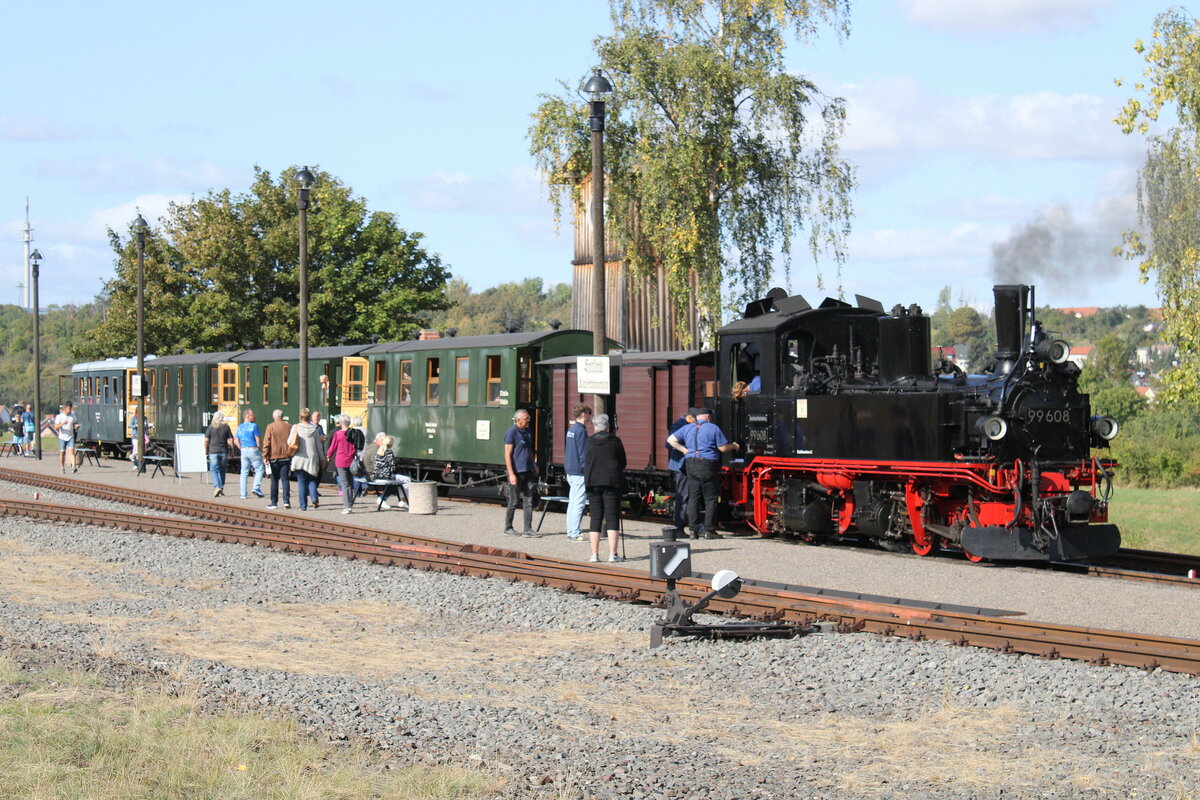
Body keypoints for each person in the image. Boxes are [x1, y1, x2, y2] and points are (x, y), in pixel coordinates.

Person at [668, 407, 740, 539]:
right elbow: (723, 448)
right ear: (708, 417)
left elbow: (670, 440)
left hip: (691, 463)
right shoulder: (713, 428)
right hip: (707, 464)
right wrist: (734, 446)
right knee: (710, 498)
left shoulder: (687, 428)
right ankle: (709, 530)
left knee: (693, 497)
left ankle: (693, 531)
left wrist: (684, 450)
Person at [583, 413, 627, 563]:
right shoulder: (615, 441)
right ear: (607, 426)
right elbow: (623, 462)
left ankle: (594, 554)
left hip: (592, 482)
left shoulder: (589, 442)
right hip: (611, 482)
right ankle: (612, 554)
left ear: (594, 427)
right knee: (612, 517)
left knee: (595, 518)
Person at [503, 409, 538, 537]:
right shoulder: (511, 433)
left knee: (528, 501)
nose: (528, 420)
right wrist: (511, 474)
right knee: (514, 501)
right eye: (526, 418)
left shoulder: (528, 431)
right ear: (518, 420)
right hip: (517, 472)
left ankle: (528, 529)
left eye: (528, 418)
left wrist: (534, 465)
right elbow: (507, 454)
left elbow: (528, 450)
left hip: (528, 470)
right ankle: (508, 527)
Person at [665, 410, 697, 536]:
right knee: (683, 495)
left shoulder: (685, 424)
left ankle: (692, 525)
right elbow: (668, 444)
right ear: (689, 418)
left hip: (687, 463)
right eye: (695, 421)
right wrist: (685, 448)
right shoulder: (679, 425)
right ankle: (679, 527)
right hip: (681, 464)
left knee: (688, 495)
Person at [564, 403, 592, 541]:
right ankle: (575, 533)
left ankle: (571, 531)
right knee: (579, 503)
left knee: (572, 502)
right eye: (588, 413)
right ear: (583, 414)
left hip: (570, 469)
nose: (589, 417)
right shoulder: (581, 430)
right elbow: (583, 453)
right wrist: (587, 470)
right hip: (579, 472)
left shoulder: (571, 430)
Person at [288, 408, 324, 511]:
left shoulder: (296, 427)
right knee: (312, 479)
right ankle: (314, 497)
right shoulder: (315, 430)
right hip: (312, 457)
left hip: (299, 457)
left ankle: (303, 506)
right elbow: (319, 446)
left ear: (300, 417)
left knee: (302, 482)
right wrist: (323, 459)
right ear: (309, 418)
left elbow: (290, 441)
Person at [326, 414, 357, 514]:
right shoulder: (354, 433)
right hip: (351, 460)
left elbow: (333, 447)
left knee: (344, 484)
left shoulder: (338, 434)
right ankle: (350, 504)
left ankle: (347, 506)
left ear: (341, 423)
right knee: (350, 482)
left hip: (341, 460)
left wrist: (328, 455)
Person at [261, 409, 292, 509]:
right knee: (285, 479)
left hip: (274, 458)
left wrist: (265, 456)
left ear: (274, 417)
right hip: (286, 457)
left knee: (274, 480)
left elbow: (267, 443)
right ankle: (286, 501)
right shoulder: (289, 426)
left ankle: (274, 502)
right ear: (282, 416)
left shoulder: (270, 427)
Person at [371, 435, 409, 510]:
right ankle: (402, 500)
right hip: (385, 476)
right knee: (406, 480)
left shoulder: (378, 451)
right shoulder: (389, 452)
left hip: (376, 476)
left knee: (397, 482)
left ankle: (398, 500)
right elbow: (392, 467)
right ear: (391, 444)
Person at [234, 409, 265, 499]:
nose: (254, 416)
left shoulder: (239, 427)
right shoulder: (254, 426)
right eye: (253, 415)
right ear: (248, 416)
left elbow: (236, 441)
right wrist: (261, 449)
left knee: (244, 472)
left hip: (244, 450)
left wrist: (241, 448)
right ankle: (256, 488)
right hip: (253, 449)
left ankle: (243, 494)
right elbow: (258, 439)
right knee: (259, 469)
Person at [204, 412, 234, 497]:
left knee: (214, 470)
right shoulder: (226, 427)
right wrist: (232, 451)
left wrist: (206, 450)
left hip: (213, 451)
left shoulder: (210, 428)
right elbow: (231, 440)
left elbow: (206, 440)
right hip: (224, 451)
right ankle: (221, 487)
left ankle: (217, 487)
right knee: (222, 470)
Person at [53, 402, 78, 474]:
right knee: (62, 453)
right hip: (62, 437)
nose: (70, 410)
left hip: (70, 436)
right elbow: (56, 427)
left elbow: (74, 423)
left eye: (71, 409)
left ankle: (73, 467)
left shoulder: (73, 416)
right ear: (65, 409)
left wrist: (76, 426)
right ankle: (62, 467)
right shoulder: (59, 417)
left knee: (71, 452)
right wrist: (62, 423)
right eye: (69, 409)